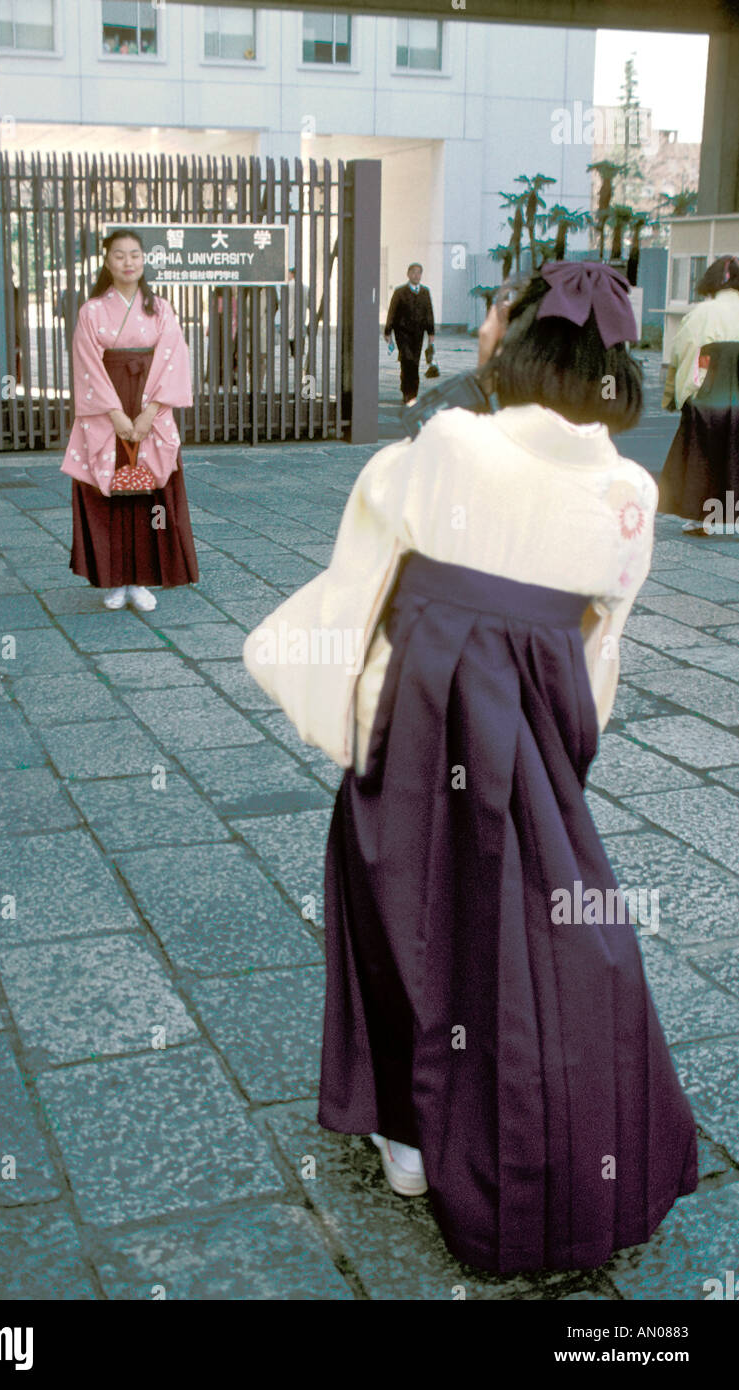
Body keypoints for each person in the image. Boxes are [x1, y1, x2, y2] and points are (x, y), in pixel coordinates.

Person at [243, 260, 697, 1274]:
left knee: (394, 903)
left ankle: (404, 1134)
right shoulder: (628, 489)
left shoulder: (444, 444)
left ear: (516, 338)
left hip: (417, 718)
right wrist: (558, 760)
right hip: (531, 734)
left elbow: (361, 579)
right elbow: (598, 644)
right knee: (520, 929)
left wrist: (347, 715)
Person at [60, 228, 198, 611]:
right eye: (119, 255)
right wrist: (117, 415)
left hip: (150, 401)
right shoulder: (92, 311)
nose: (128, 262)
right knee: (109, 492)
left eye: (135, 254)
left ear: (143, 260)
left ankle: (143, 579)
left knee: (151, 492)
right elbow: (87, 365)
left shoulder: (160, 308)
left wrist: (149, 414)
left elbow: (172, 359)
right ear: (107, 261)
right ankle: (114, 579)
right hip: (107, 406)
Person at [660, 254, 739, 533]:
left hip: (710, 396)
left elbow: (685, 353)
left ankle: (705, 518)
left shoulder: (703, 313)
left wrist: (676, 395)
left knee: (703, 458)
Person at [384, 263, 435, 405]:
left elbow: (429, 313)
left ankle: (413, 393)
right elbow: (392, 312)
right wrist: (388, 331)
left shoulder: (425, 292)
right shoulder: (400, 292)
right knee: (407, 360)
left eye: (419, 273)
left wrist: (431, 333)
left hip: (418, 333)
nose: (416, 275)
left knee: (415, 362)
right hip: (402, 333)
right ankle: (407, 392)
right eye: (414, 272)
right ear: (408, 274)